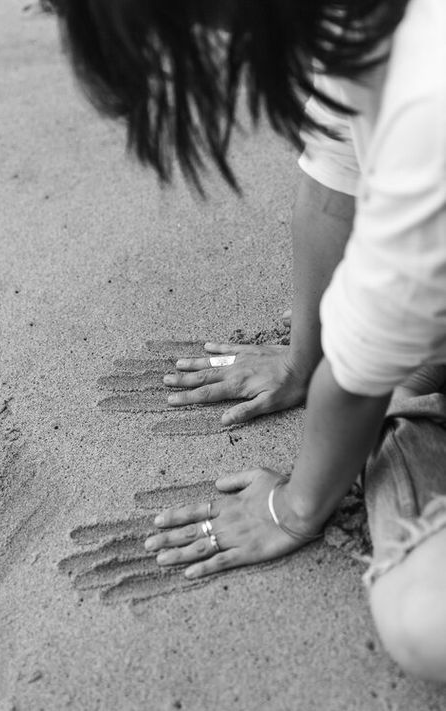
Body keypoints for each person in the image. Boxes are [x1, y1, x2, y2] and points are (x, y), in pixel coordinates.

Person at [54, 0, 446, 681]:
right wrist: (305, 359)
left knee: (422, 619)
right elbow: (332, 190)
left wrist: (294, 507)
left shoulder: (425, 92)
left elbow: (359, 379)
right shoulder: (346, 21)